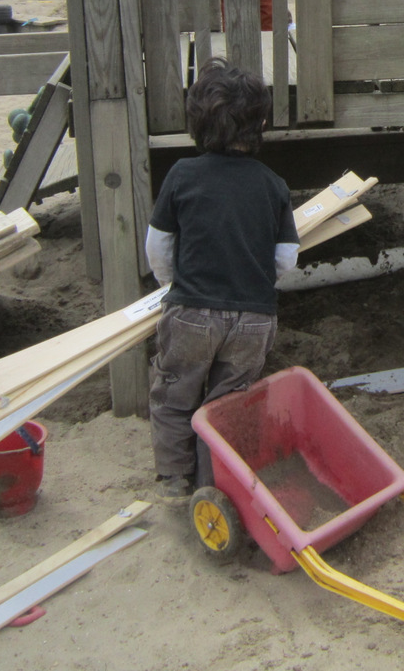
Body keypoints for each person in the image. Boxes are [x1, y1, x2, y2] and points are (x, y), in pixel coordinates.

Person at [143, 58, 300, 500]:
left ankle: (175, 480)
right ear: (262, 122)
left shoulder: (181, 175)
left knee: (174, 395)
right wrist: (254, 277)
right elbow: (286, 257)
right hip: (254, 317)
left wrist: (175, 286)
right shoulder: (273, 184)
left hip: (192, 312)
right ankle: (215, 484)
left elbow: (158, 246)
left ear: (195, 122)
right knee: (229, 407)